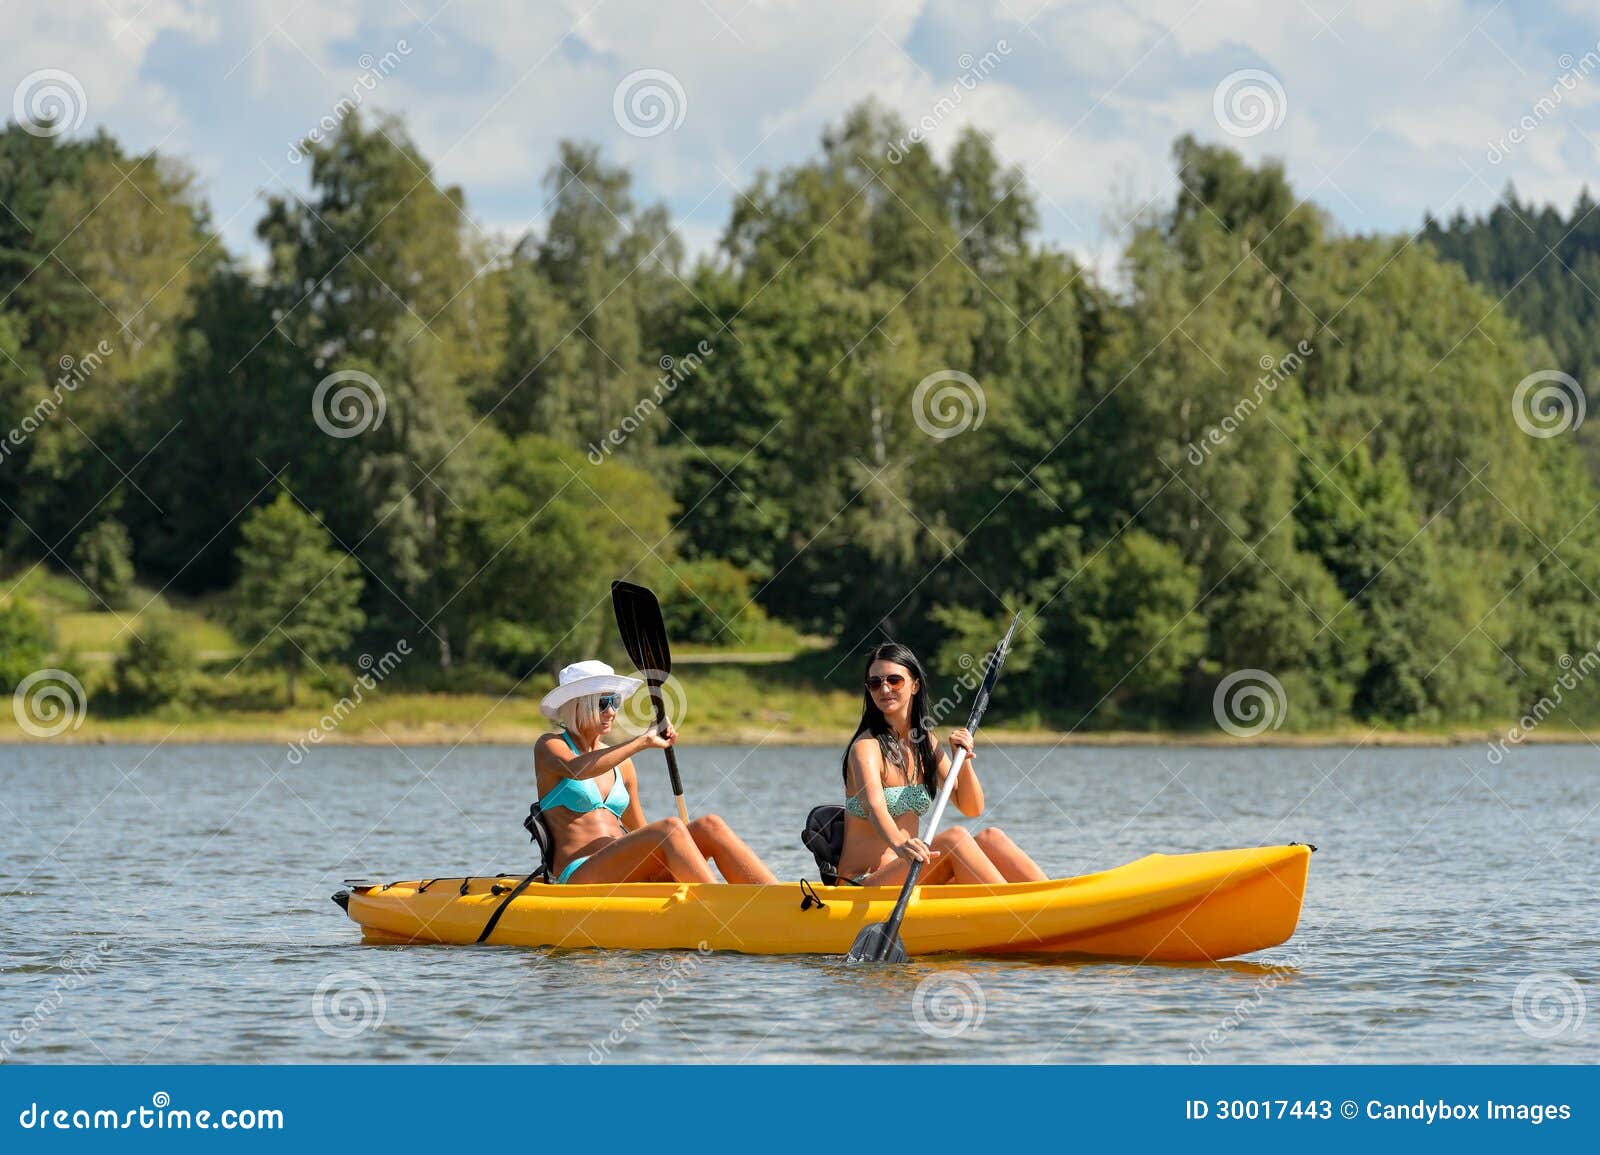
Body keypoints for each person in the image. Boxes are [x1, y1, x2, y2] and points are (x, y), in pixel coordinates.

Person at [534, 660, 776, 885]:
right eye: (601, 703)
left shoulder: (623, 765)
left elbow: (640, 831)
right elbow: (577, 770)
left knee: (708, 826)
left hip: (626, 872)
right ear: (577, 706)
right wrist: (642, 741)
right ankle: (719, 908)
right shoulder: (550, 746)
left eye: (614, 702)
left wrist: (686, 845)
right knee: (669, 828)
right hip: (579, 875)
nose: (611, 711)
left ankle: (776, 899)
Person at [834, 642, 1047, 887]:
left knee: (991, 837)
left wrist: (962, 761)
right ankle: (1017, 911)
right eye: (875, 682)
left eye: (894, 680)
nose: (884, 688)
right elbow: (874, 807)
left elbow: (972, 808)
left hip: (909, 875)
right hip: (863, 884)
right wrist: (900, 843)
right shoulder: (866, 747)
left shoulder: (926, 744)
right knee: (953, 838)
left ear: (914, 685)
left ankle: (1055, 903)